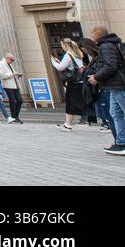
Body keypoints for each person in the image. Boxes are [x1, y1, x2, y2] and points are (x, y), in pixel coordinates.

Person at [85, 26, 124, 154]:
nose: (92, 37)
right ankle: (121, 142)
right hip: (113, 85)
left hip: (117, 84)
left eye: (92, 34)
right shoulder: (111, 43)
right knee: (115, 113)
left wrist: (96, 77)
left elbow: (110, 66)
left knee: (118, 113)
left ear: (97, 34)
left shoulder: (106, 46)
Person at [50, 38, 86, 131]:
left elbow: (61, 68)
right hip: (80, 82)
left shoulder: (68, 55)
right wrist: (60, 62)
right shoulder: (78, 54)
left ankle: (68, 124)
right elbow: (71, 66)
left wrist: (53, 62)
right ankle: (67, 124)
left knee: (71, 103)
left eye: (62, 45)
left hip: (73, 83)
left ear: (64, 45)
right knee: (75, 103)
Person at [0, 53, 24, 123]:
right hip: (8, 85)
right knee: (12, 101)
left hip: (15, 85)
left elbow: (13, 73)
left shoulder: (9, 64)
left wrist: (17, 75)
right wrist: (12, 74)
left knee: (20, 100)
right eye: (11, 60)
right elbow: (2, 75)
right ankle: (13, 117)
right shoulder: (1, 64)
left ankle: (16, 116)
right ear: (7, 58)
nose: (12, 61)